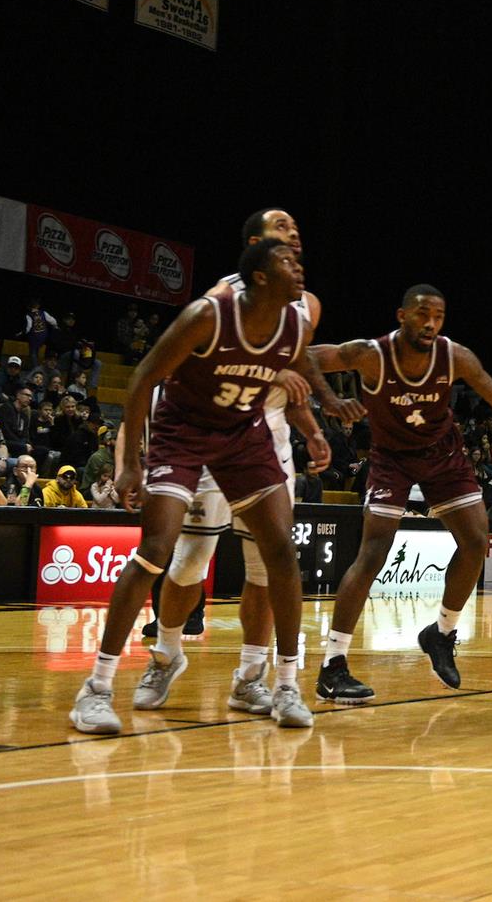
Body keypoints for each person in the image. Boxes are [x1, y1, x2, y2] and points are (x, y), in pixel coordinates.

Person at [70, 238, 329, 734]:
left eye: (299, 252)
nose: (298, 259)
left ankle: (283, 683)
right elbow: (145, 377)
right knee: (162, 553)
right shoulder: (210, 311)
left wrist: (317, 420)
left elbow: (296, 372)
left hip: (248, 434)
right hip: (185, 434)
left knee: (278, 557)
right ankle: (104, 685)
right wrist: (128, 462)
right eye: (284, 254)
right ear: (257, 268)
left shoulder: (297, 318)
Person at [305, 284, 492, 705]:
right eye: (421, 313)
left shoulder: (455, 357)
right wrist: (328, 399)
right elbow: (304, 357)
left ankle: (442, 633)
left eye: (438, 315)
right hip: (391, 459)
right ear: (401, 316)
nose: (430, 322)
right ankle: (333, 665)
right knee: (374, 551)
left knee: (475, 542)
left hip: (443, 456)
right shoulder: (370, 354)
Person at [136, 209, 364, 712]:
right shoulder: (222, 300)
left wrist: (313, 429)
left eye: (296, 229)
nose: (295, 232)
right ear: (256, 247)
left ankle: (251, 675)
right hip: (214, 427)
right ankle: (166, 654)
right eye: (283, 228)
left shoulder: (307, 304)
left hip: (269, 437)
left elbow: (297, 363)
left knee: (267, 566)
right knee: (191, 560)